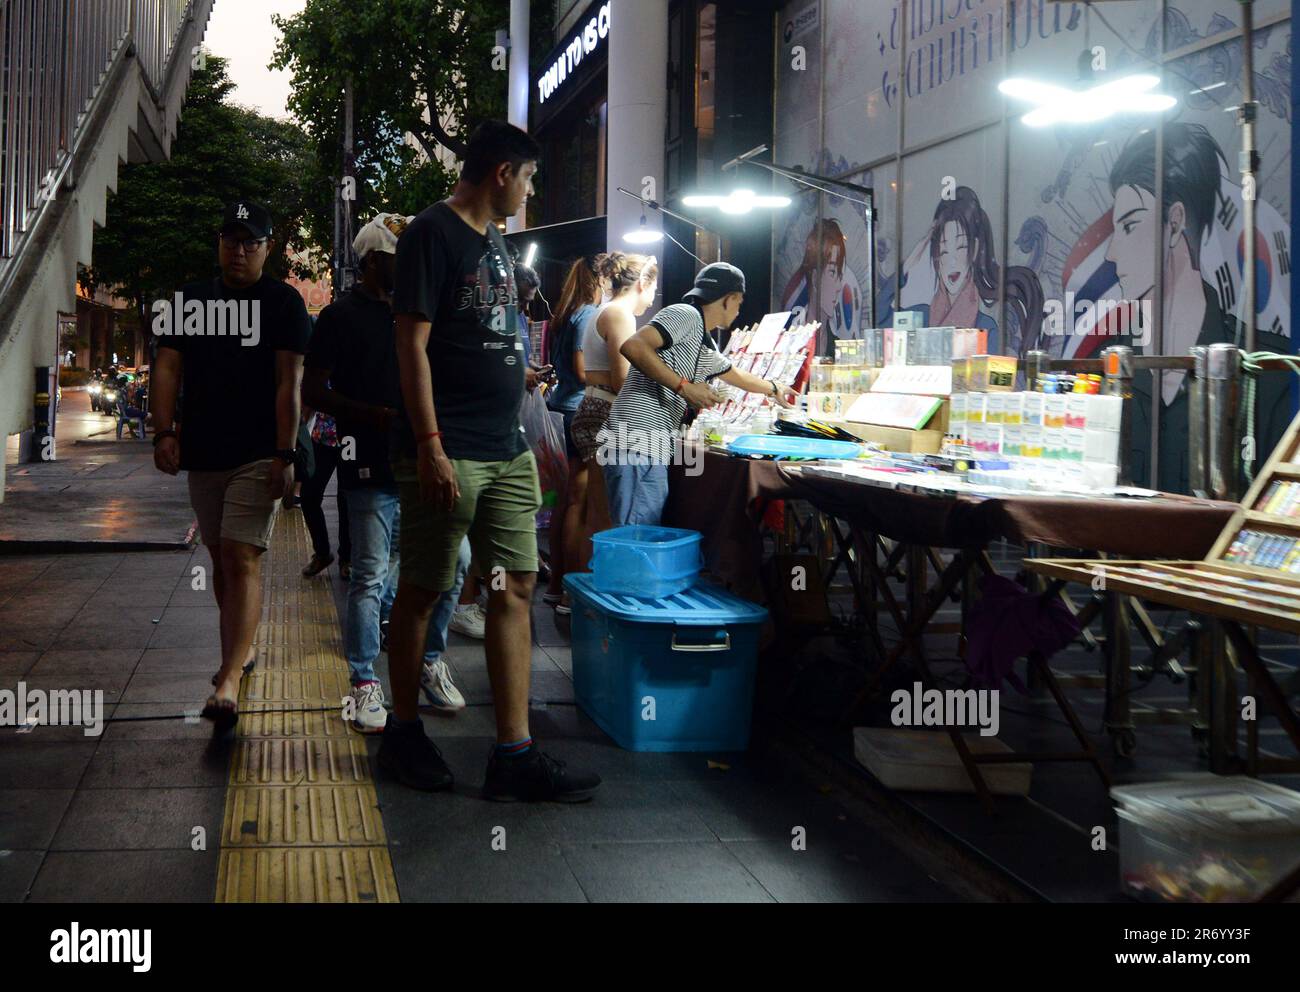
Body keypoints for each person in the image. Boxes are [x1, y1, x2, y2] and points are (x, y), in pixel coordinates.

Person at [385, 119, 601, 801]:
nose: (530, 191)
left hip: (506, 450)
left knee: (514, 588)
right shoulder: (432, 233)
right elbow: (410, 347)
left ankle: (514, 753)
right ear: (503, 173)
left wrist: (522, 369)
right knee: (424, 589)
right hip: (448, 449)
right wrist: (429, 446)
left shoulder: (500, 245)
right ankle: (403, 732)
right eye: (530, 177)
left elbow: (488, 333)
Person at [150, 201, 311, 728]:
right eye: (230, 240)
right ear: (218, 243)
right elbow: (168, 365)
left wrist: (286, 453)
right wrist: (165, 430)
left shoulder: (284, 304)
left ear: (268, 248)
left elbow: (291, 382)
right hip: (204, 451)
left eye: (250, 243)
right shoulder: (189, 300)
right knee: (221, 562)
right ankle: (240, 646)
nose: (238, 251)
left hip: (258, 451)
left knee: (242, 556)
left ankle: (228, 678)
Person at [303, 213, 467, 733]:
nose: (412, 269)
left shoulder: (417, 312)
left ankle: (426, 658)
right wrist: (369, 414)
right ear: (374, 261)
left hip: (423, 460)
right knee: (370, 573)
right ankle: (363, 679)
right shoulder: (339, 317)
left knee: (455, 561)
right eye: (401, 260)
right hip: (368, 461)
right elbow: (314, 390)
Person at [600, 262, 796, 526]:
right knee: (635, 538)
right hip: (637, 441)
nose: (739, 310)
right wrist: (684, 387)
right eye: (739, 302)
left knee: (641, 532)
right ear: (730, 298)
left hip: (650, 445)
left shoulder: (704, 341)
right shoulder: (685, 315)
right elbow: (633, 346)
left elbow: (735, 374)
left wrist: (774, 388)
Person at [565, 253, 656, 607]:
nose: (651, 300)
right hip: (605, 414)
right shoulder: (619, 315)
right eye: (653, 289)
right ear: (641, 284)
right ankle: (593, 598)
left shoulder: (601, 311)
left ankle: (578, 595)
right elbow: (623, 379)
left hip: (591, 408)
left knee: (593, 512)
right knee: (605, 517)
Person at [540, 253, 610, 613]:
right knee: (576, 503)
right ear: (598, 281)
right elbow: (583, 371)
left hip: (559, 407)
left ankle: (555, 585)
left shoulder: (565, 315)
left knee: (565, 501)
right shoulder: (587, 316)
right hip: (576, 410)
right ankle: (569, 590)